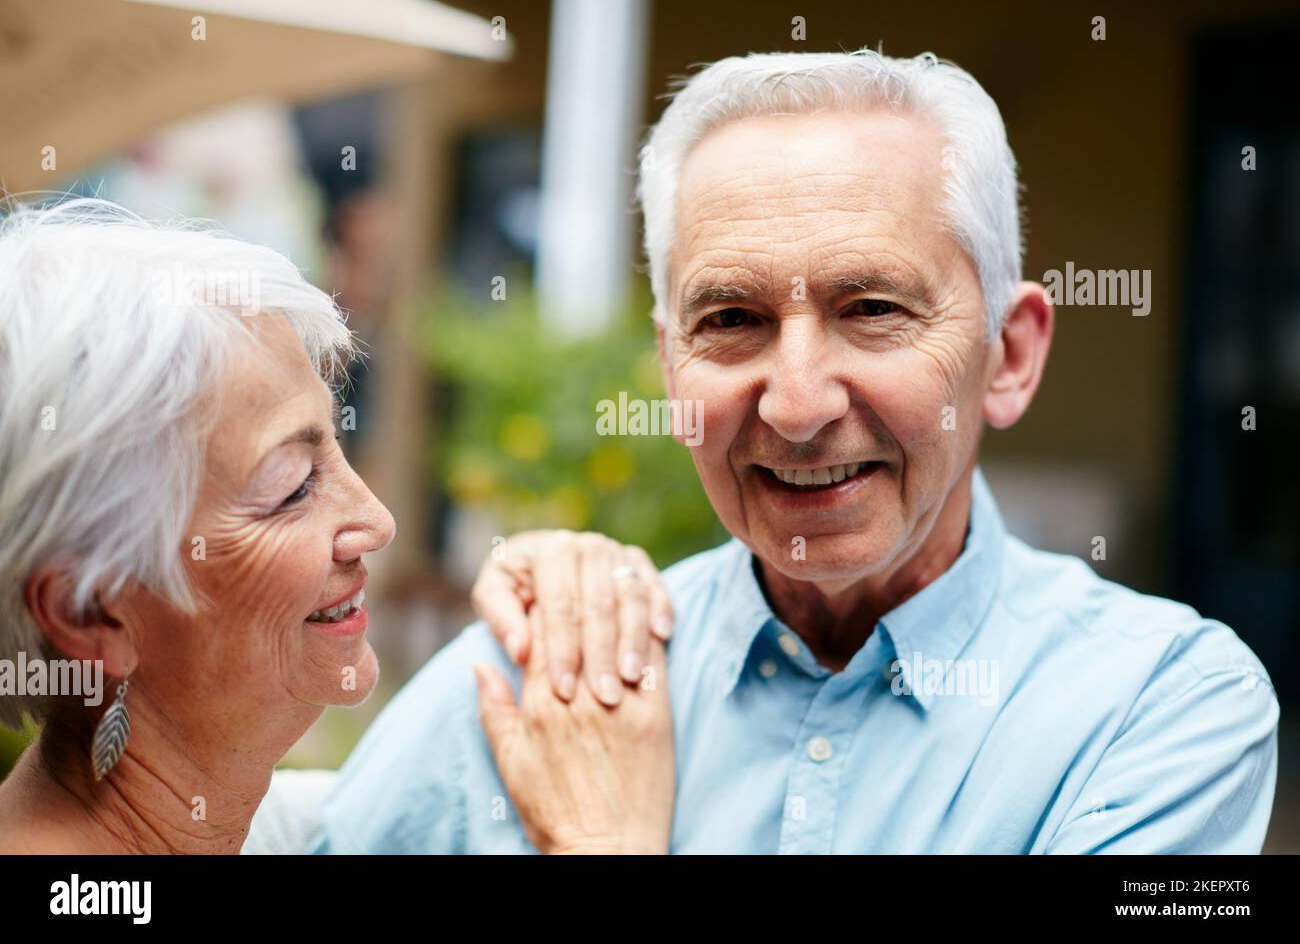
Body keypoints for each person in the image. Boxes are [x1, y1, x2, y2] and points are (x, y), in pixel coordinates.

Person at [314, 49, 1279, 854]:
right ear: (669, 366)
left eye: (873, 310)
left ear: (1010, 355)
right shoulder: (549, 670)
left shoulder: (1164, 708)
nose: (798, 402)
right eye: (731, 319)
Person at [0, 199, 674, 854]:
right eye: (292, 486)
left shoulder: (279, 823)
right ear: (89, 612)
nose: (377, 521)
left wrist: (568, 580)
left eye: (334, 447)